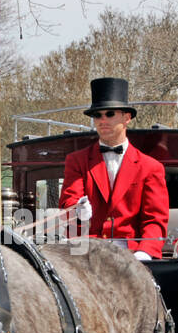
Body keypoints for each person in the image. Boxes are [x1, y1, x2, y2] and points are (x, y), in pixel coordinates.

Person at [59, 77, 169, 259]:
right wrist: (77, 210)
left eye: (109, 114)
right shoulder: (76, 160)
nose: (103, 120)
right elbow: (69, 203)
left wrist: (145, 252)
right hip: (86, 252)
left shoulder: (151, 167)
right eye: (97, 115)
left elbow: (155, 220)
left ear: (127, 118)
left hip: (131, 255)